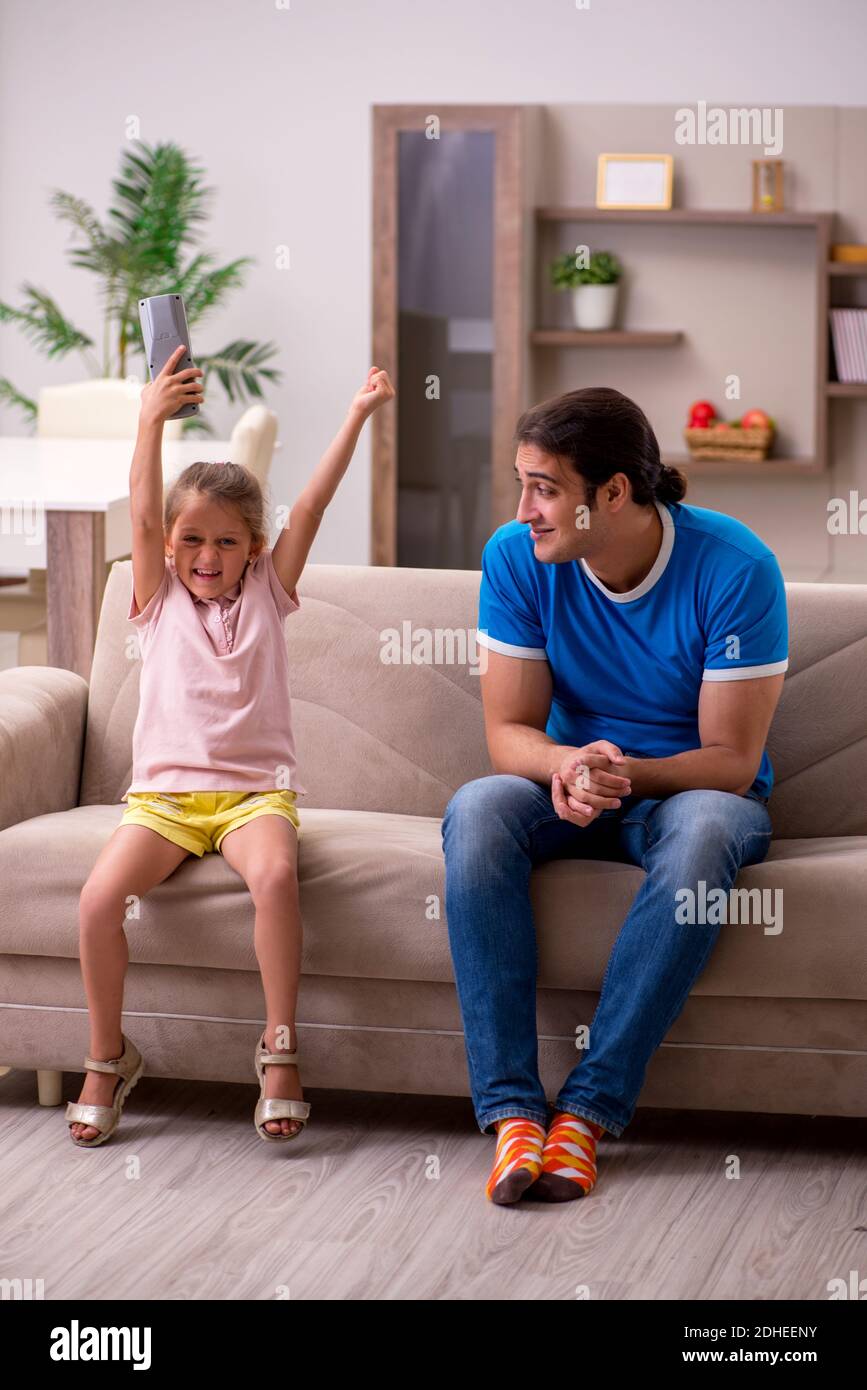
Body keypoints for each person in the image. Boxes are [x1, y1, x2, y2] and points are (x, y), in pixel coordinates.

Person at [441, 386, 788, 1205]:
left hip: (686, 792)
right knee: (479, 808)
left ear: (613, 493)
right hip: (565, 784)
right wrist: (566, 766)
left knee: (707, 833)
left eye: (544, 488)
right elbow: (508, 735)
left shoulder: (735, 568)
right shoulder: (515, 557)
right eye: (521, 484)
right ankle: (513, 1115)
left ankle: (587, 1115)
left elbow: (731, 762)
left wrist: (618, 771)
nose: (524, 509)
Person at [66, 346, 395, 1147]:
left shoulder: (270, 594)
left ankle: (279, 1048)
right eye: (190, 542)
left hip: (254, 796)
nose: (204, 558)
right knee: (97, 902)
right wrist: (149, 416)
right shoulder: (155, 600)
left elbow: (310, 507)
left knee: (277, 876)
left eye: (223, 542)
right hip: (165, 801)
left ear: (253, 545)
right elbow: (141, 514)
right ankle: (107, 1058)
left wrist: (357, 414)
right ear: (170, 546)